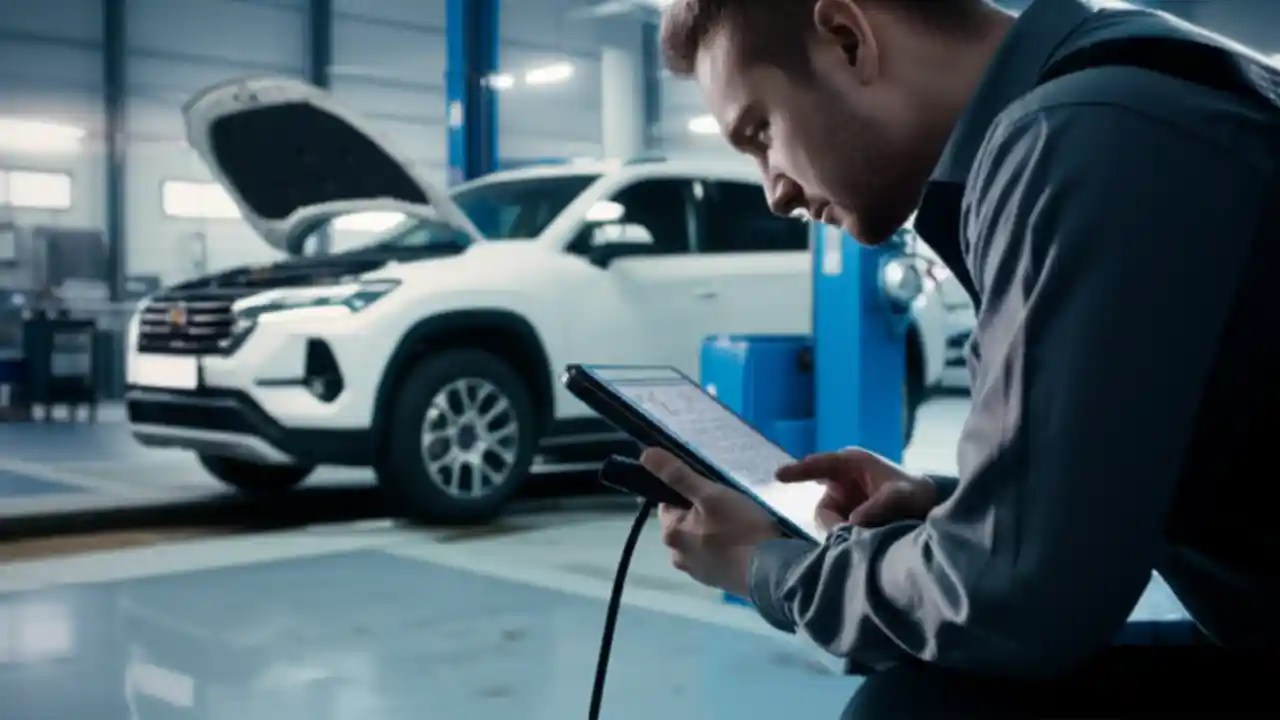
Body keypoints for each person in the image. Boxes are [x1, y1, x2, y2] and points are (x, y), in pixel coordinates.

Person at [640, 0, 1279, 716]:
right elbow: (1098, 508)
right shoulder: (1128, 83)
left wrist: (766, 567)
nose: (776, 192)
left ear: (848, 39)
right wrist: (953, 506)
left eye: (761, 133)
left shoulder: (1073, 138)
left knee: (914, 710)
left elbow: (1019, 598)